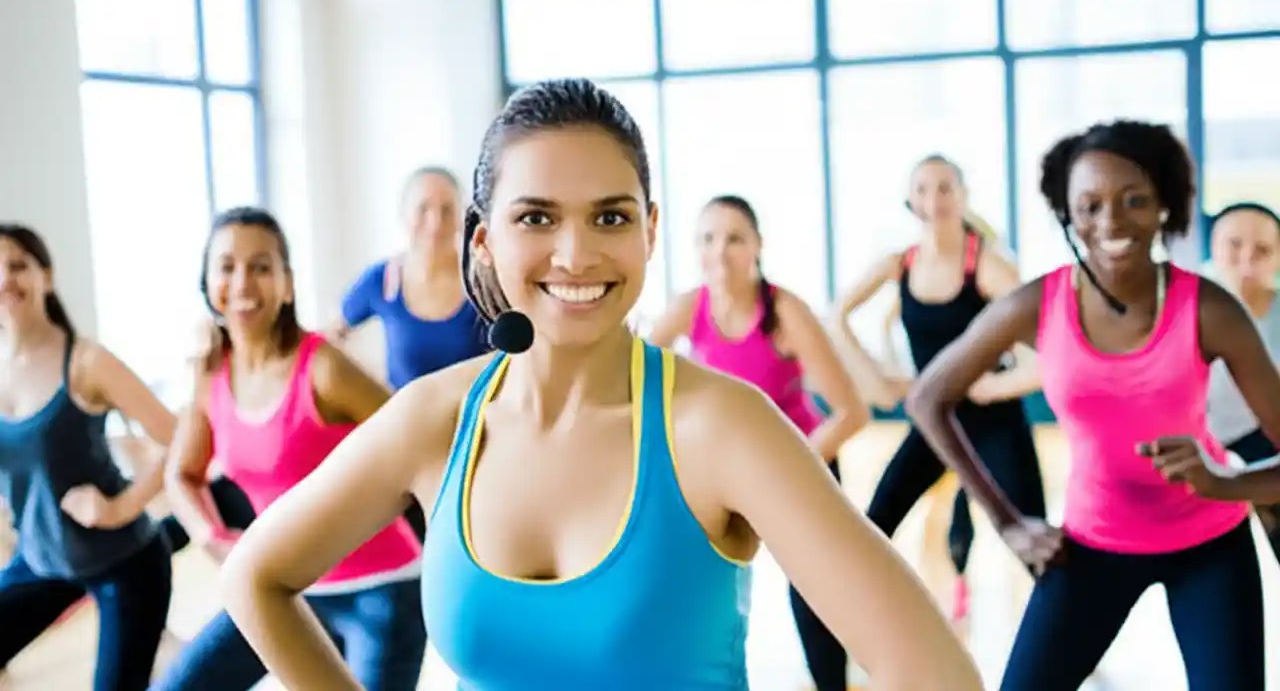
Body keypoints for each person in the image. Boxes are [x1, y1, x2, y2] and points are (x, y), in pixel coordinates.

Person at [215, 78, 982, 691]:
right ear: (484, 241)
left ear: (650, 230)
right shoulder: (435, 420)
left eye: (610, 218)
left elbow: (937, 673)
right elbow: (257, 576)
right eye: (537, 217)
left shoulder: (717, 427)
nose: (576, 253)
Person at [906, 120, 1280, 691]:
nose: (1111, 222)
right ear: (1068, 213)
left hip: (1209, 547)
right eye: (1090, 205)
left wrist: (1223, 482)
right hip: (1092, 545)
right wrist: (1009, 524)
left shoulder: (1209, 308)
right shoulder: (1038, 303)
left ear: (1164, 207)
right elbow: (928, 398)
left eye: (1134, 200)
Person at [154, 208, 425, 691]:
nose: (243, 283)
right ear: (207, 281)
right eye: (227, 266)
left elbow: (419, 437)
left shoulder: (323, 369)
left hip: (379, 594)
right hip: (278, 587)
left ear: (287, 284)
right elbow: (182, 475)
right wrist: (210, 535)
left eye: (261, 267)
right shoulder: (211, 375)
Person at [649, 194, 868, 691]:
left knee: (814, 601)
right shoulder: (690, 307)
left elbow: (851, 413)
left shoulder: (786, 312)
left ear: (757, 247)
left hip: (801, 464)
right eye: (707, 238)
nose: (719, 252)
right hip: (724, 476)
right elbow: (633, 378)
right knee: (700, 591)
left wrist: (781, 471)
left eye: (734, 239)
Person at [831, 155, 1046, 626]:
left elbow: (1047, 354)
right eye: (924, 189)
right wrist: (878, 381)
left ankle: (1074, 641)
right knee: (876, 523)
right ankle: (859, 627)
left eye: (946, 187)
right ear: (911, 200)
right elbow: (837, 315)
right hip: (932, 423)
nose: (935, 199)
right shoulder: (899, 264)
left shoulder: (986, 267)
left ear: (963, 196)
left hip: (993, 424)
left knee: (1034, 542)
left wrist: (991, 387)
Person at [0, 224, 176, 691]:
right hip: (40, 562)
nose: (5, 279)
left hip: (126, 560)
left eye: (18, 265)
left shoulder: (86, 363)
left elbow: (178, 440)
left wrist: (119, 508)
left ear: (47, 276)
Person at [332, 166, 488, 541]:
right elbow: (326, 341)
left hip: (477, 449)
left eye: (447, 209)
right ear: (405, 217)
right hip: (408, 449)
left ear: (463, 215)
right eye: (423, 209)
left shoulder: (483, 278)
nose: (435, 222)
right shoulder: (382, 281)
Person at [1205, 201, 1280, 561]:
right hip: (1199, 441)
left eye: (1263, 250)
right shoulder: (1186, 307)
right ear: (1214, 248)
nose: (1247, 260)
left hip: (1264, 438)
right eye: (1234, 245)